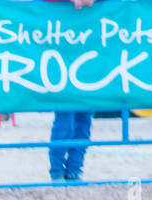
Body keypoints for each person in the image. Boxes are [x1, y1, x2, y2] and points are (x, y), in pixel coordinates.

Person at [46, 0, 98, 181]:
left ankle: (75, 168)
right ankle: (57, 170)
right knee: (65, 116)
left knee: (84, 115)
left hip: (90, 45)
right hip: (60, 44)